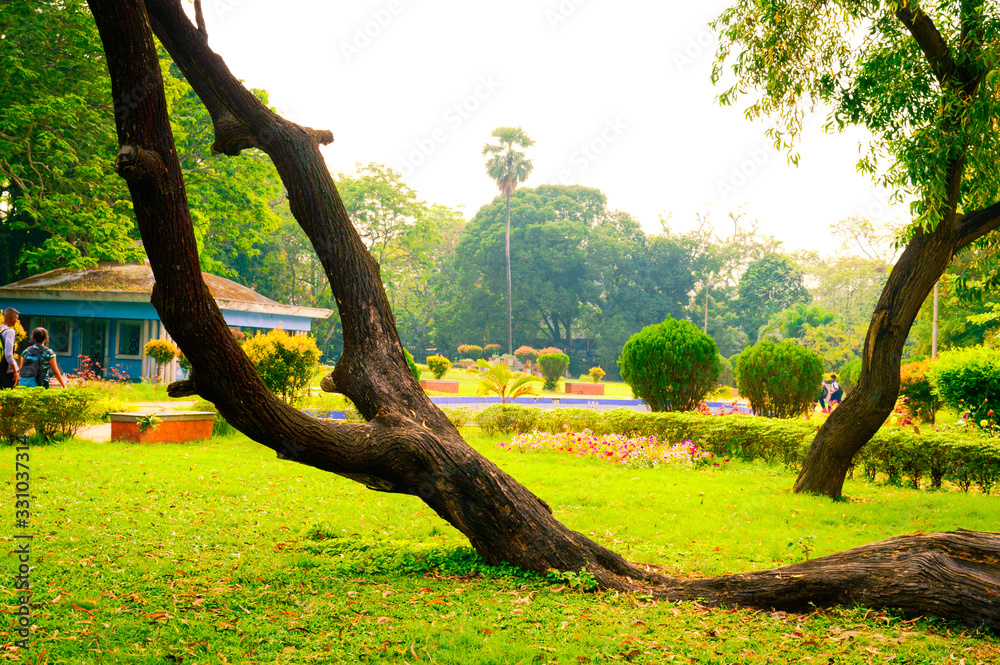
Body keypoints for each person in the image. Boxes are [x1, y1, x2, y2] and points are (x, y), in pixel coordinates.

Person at [0, 307, 19, 389]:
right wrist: (15, 371)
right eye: (16, 318)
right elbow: (8, 354)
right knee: (9, 398)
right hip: (6, 370)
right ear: (12, 319)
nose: (17, 321)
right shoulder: (10, 331)